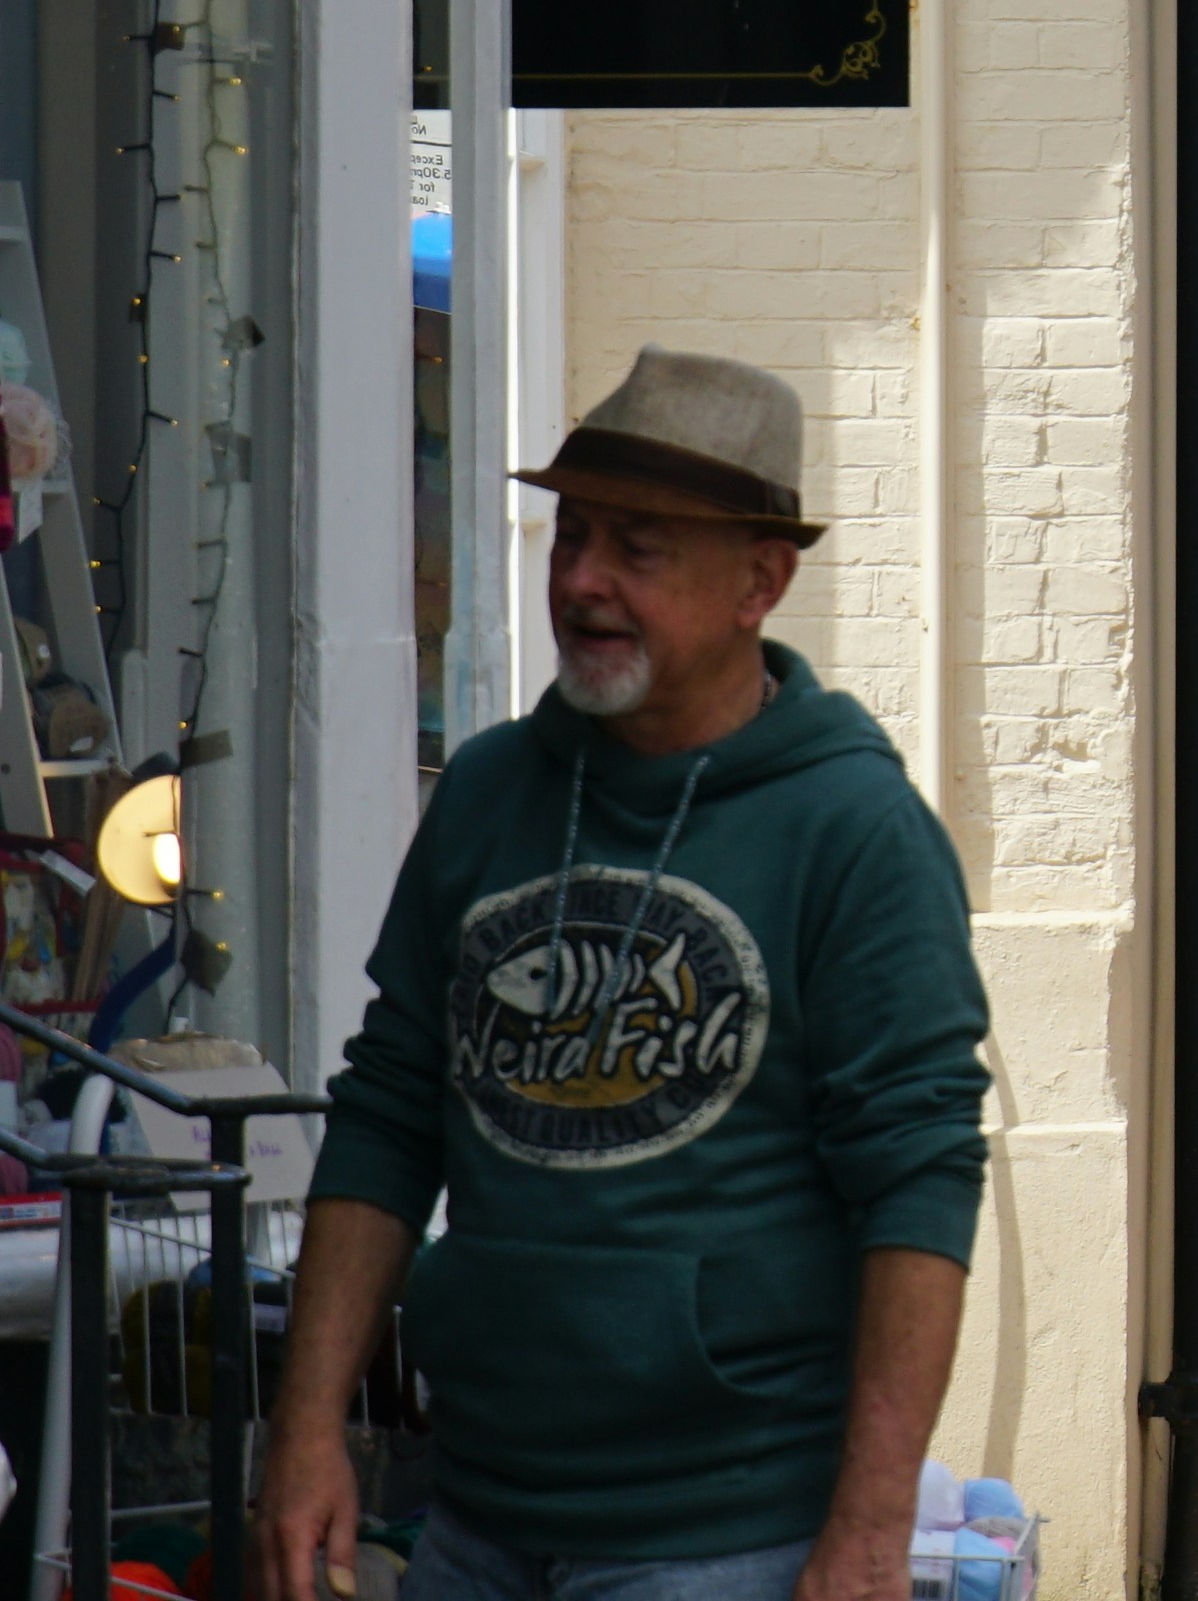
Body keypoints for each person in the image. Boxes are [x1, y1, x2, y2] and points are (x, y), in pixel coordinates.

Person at [260, 350, 987, 1601]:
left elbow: (919, 1178)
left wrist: (868, 1530)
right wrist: (308, 1423)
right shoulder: (488, 791)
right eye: (572, 533)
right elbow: (389, 1110)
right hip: (473, 1511)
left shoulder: (852, 829)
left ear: (762, 578)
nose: (581, 580)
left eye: (637, 547)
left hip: (726, 1536)